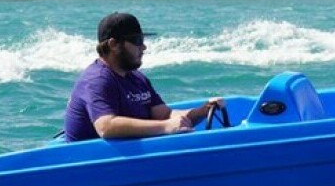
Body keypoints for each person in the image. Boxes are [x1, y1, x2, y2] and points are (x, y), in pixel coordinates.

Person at [62, 12, 223, 141]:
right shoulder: (97, 80)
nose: (144, 47)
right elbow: (106, 126)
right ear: (113, 45)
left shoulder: (136, 78)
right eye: (137, 41)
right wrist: (166, 127)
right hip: (90, 163)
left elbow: (164, 115)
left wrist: (202, 111)